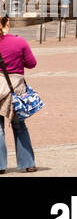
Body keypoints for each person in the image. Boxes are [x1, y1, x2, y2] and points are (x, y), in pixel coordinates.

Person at [0, 15, 37, 173]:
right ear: (7, 23)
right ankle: (27, 163)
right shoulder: (19, 41)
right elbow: (32, 63)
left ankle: (0, 165)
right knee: (19, 125)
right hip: (16, 87)